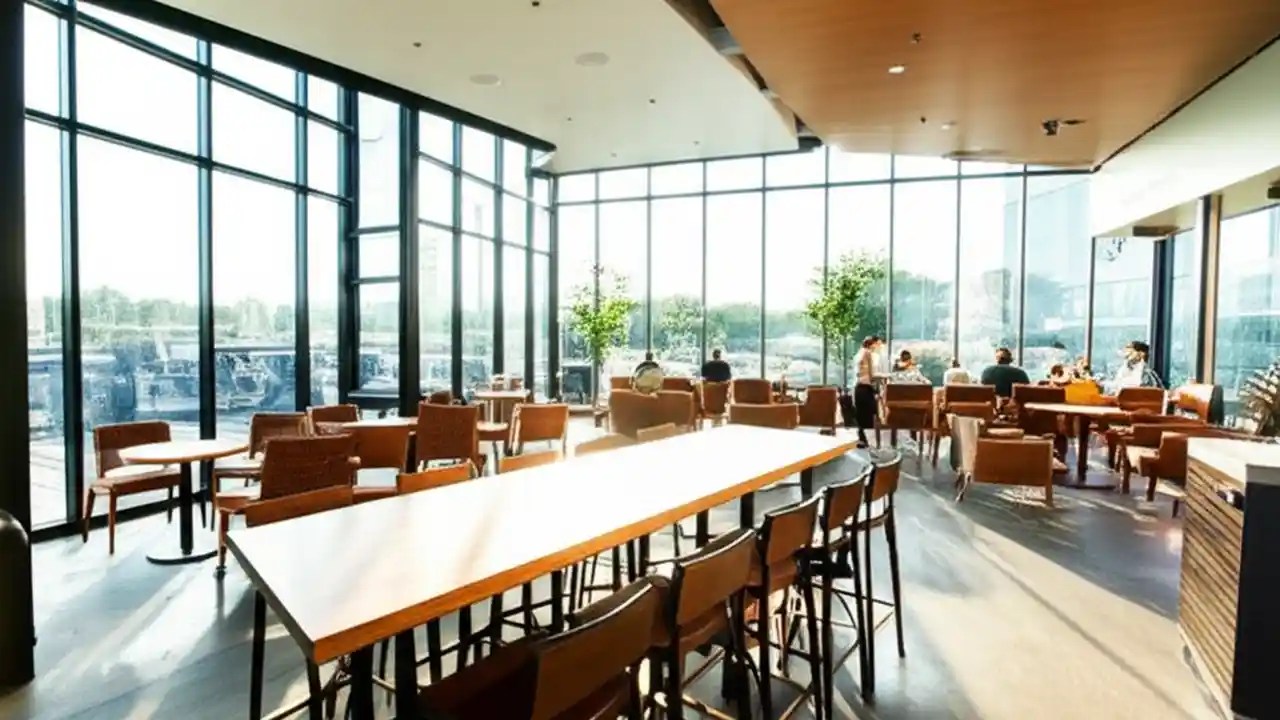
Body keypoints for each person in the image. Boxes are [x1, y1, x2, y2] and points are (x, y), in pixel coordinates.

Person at [852, 336, 884, 448]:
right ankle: (872, 444)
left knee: (861, 416)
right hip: (865, 388)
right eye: (877, 344)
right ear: (872, 344)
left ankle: (862, 440)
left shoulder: (858, 354)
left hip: (857, 388)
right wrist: (885, 376)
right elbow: (871, 374)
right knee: (872, 415)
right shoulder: (868, 354)